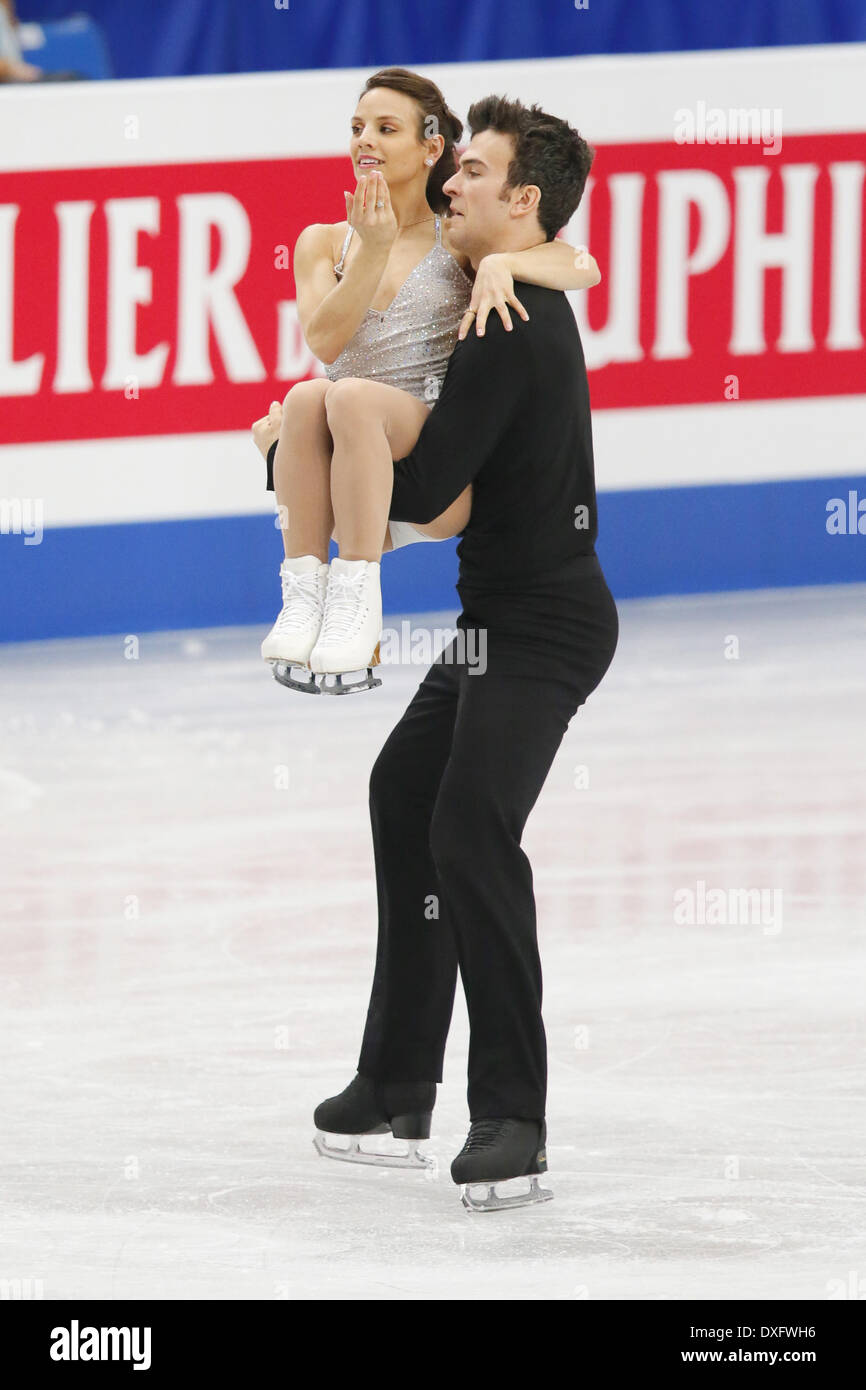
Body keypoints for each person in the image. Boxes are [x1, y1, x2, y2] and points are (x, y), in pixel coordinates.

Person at [311, 94, 619, 1211]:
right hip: (498, 619)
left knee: (467, 829)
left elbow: (433, 484)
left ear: (520, 199)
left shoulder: (506, 314)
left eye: (471, 172)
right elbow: (564, 260)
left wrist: (314, 449)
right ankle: (397, 1081)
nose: (449, 184)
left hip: (545, 625)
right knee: (405, 790)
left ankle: (513, 1119)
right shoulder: (504, 284)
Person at [251, 66, 600, 693]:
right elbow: (325, 341)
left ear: (431, 148)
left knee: (347, 398)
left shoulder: (459, 238)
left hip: (430, 467)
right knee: (308, 395)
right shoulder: (323, 242)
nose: (366, 141)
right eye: (357, 128)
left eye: (387, 129)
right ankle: (305, 597)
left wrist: (503, 262)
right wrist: (374, 247)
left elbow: (583, 263)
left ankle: (360, 609)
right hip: (357, 465)